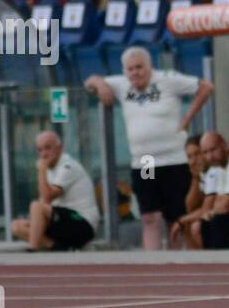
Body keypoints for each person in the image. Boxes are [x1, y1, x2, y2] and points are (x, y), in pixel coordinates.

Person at [84, 47, 214, 250]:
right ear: (124, 71)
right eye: (130, 69)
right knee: (149, 215)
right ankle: (152, 262)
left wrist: (188, 117)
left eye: (139, 67)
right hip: (146, 161)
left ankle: (176, 263)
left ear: (149, 66)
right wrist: (100, 84)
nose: (135, 72)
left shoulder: (168, 79)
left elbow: (206, 87)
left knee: (176, 217)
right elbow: (89, 81)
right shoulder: (122, 84)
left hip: (174, 160)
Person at [11, 130, 100, 251]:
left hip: (82, 224)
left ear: (60, 148)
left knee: (36, 206)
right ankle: (57, 246)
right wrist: (34, 222)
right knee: (16, 226)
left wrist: (41, 170)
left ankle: (33, 250)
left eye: (48, 148)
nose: (43, 154)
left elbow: (47, 197)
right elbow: (44, 202)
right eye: (40, 150)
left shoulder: (68, 166)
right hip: (63, 222)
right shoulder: (48, 169)